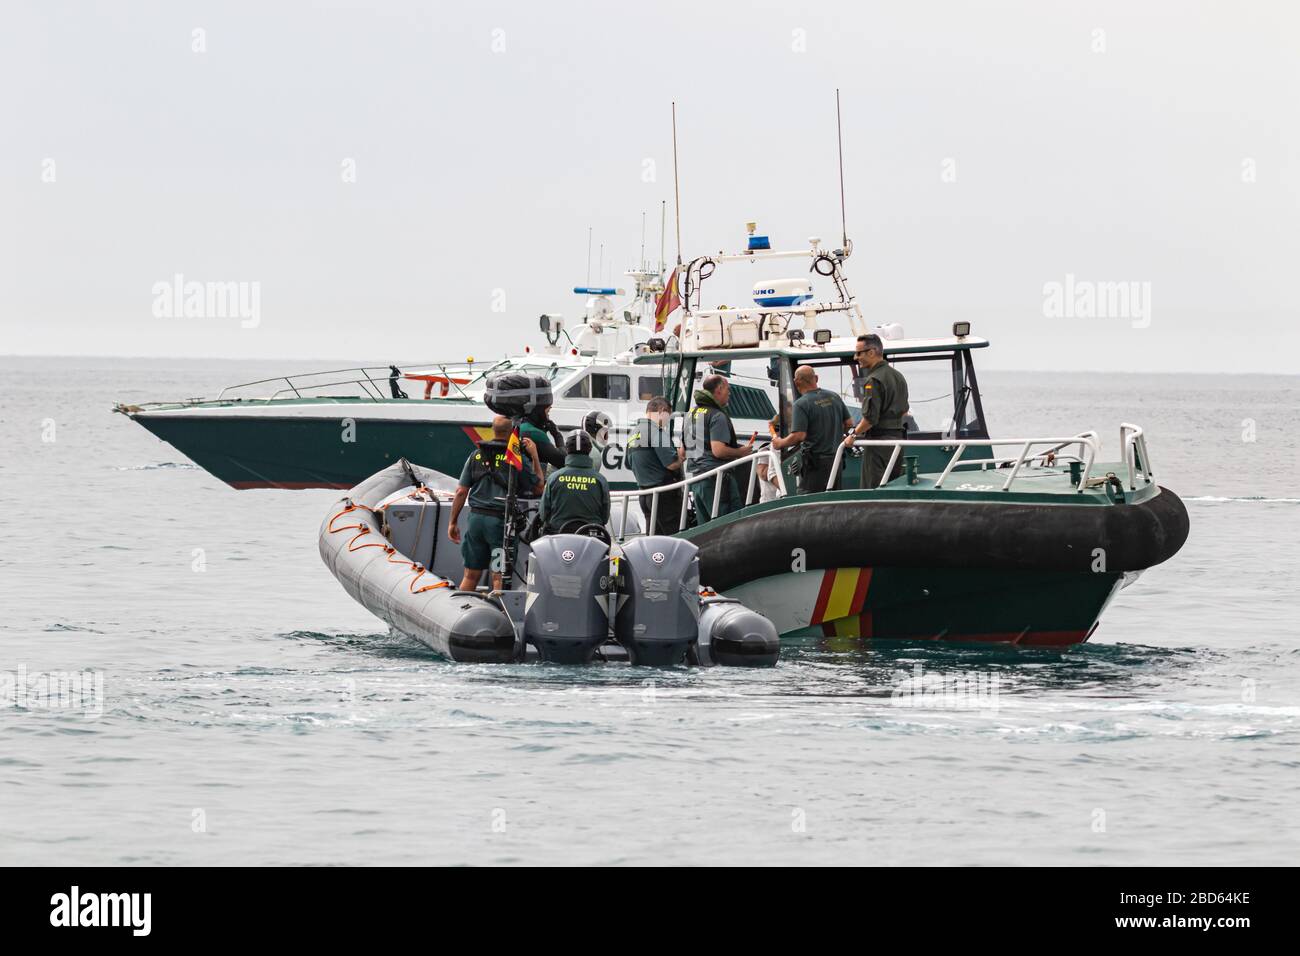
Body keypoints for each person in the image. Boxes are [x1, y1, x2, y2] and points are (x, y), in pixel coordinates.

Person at [447, 416, 543, 591]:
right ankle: (500, 615)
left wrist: (452, 522)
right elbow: (538, 488)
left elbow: (461, 492)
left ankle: (462, 608)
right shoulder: (515, 457)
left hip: (476, 521)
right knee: (498, 576)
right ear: (511, 432)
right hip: (499, 525)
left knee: (470, 575)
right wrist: (534, 455)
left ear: (493, 430)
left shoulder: (476, 455)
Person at [770, 365, 852, 494]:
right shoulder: (834, 397)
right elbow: (849, 422)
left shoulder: (801, 404)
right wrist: (835, 435)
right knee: (833, 498)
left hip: (815, 464)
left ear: (796, 382)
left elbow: (799, 435)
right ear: (816, 378)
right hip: (836, 460)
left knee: (807, 498)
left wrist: (780, 443)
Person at [842, 334, 910, 489]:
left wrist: (852, 435)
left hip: (878, 444)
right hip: (897, 443)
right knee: (894, 489)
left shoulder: (873, 380)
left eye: (859, 353)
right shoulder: (898, 377)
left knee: (873, 490)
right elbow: (905, 410)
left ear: (871, 352)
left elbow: (870, 419)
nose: (855, 357)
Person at [686, 373, 755, 522]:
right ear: (718, 390)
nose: (729, 393)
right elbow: (718, 450)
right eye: (727, 389)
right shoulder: (717, 415)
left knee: (704, 530)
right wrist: (740, 452)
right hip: (716, 480)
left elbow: (682, 451)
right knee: (728, 523)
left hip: (696, 481)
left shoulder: (691, 414)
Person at [626, 397, 686, 534]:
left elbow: (629, 463)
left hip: (644, 494)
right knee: (674, 536)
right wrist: (682, 456)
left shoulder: (633, 433)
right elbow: (671, 464)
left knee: (652, 537)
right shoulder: (656, 432)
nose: (666, 422)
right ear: (662, 411)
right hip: (663, 496)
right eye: (668, 417)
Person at [538, 431, 611, 535]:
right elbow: (605, 517)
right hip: (591, 538)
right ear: (590, 449)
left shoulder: (553, 478)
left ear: (567, 450)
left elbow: (543, 514)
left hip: (558, 537)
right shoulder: (600, 480)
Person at [519, 404, 566, 474]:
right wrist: (557, 435)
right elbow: (562, 460)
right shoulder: (535, 433)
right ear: (539, 411)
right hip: (533, 482)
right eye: (547, 412)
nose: (548, 417)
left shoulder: (518, 426)